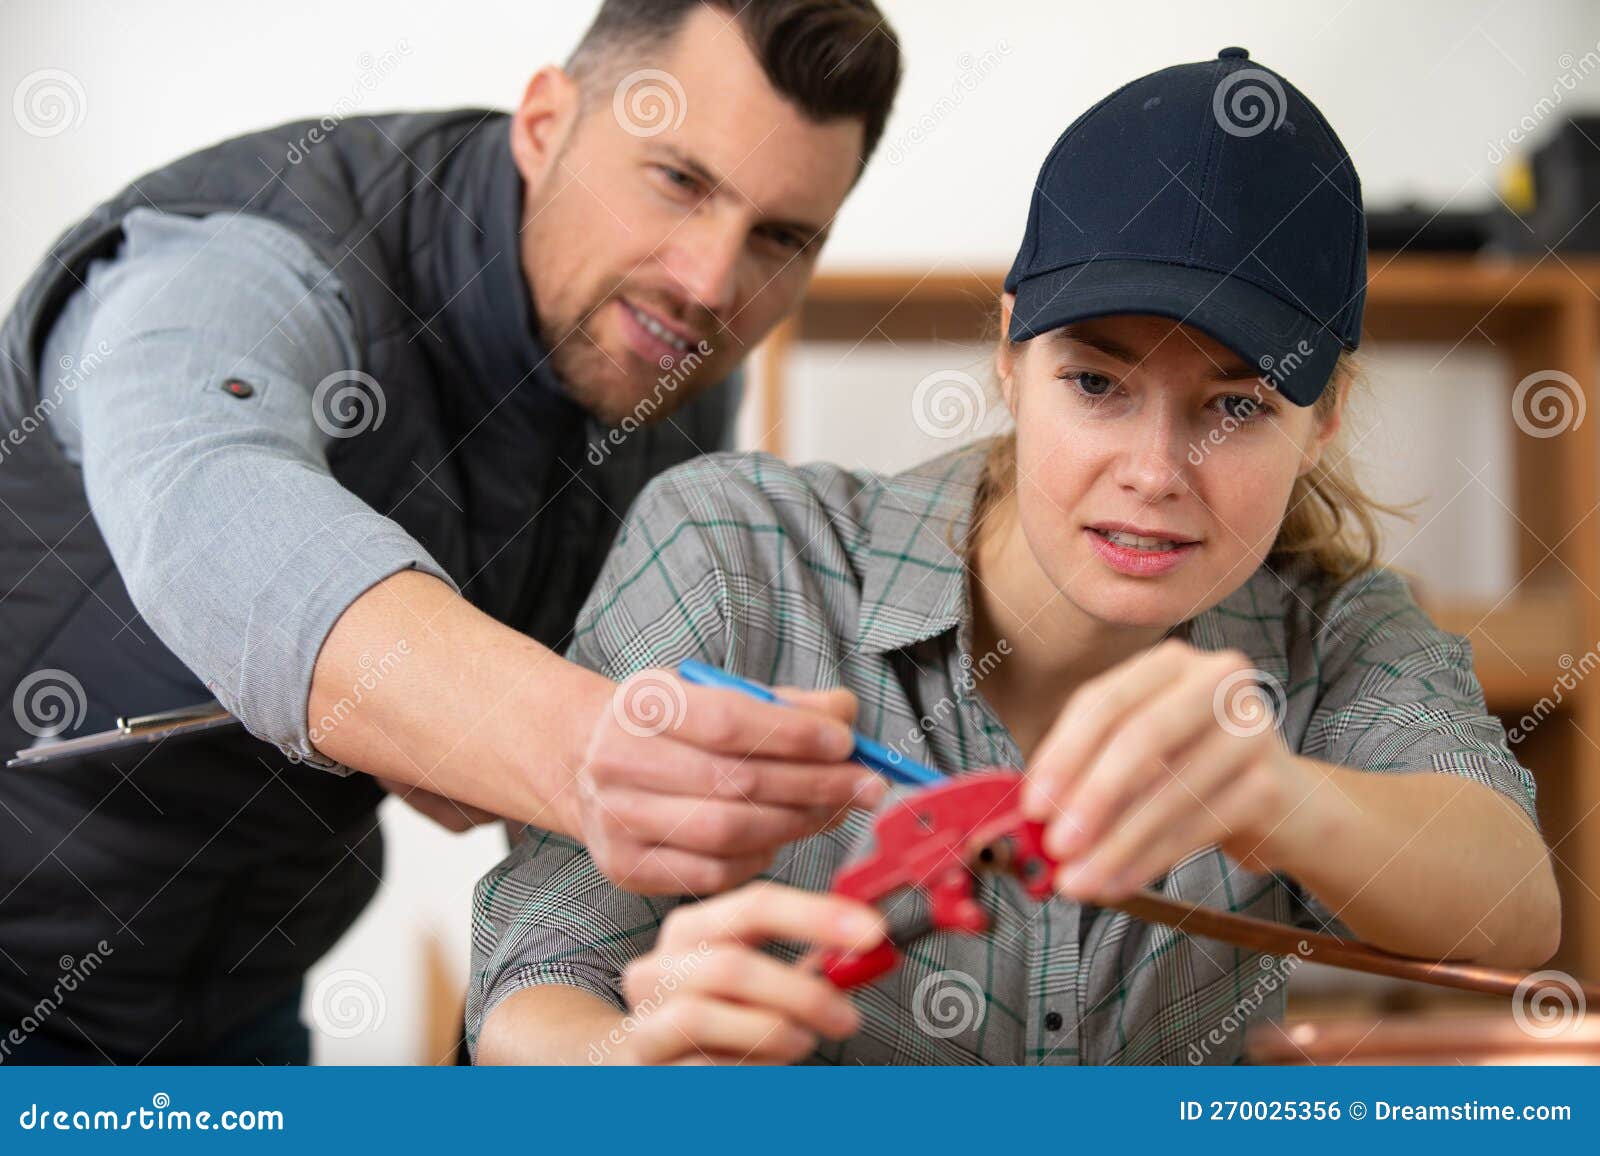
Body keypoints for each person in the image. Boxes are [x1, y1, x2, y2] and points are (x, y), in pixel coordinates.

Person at [465, 48, 1561, 1065]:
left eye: (1236, 405)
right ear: (1008, 355)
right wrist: (618, 1071)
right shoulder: (735, 555)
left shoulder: (1344, 633)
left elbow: (1513, 911)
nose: (1154, 470)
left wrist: (1285, 799)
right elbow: (538, 972)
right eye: (1096, 383)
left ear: (1322, 422)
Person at [0, 0, 901, 1064]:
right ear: (543, 121)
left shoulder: (665, 366)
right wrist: (576, 748)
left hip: (237, 994)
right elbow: (206, 496)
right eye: (678, 180)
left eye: (780, 236)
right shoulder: (249, 258)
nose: (709, 280)